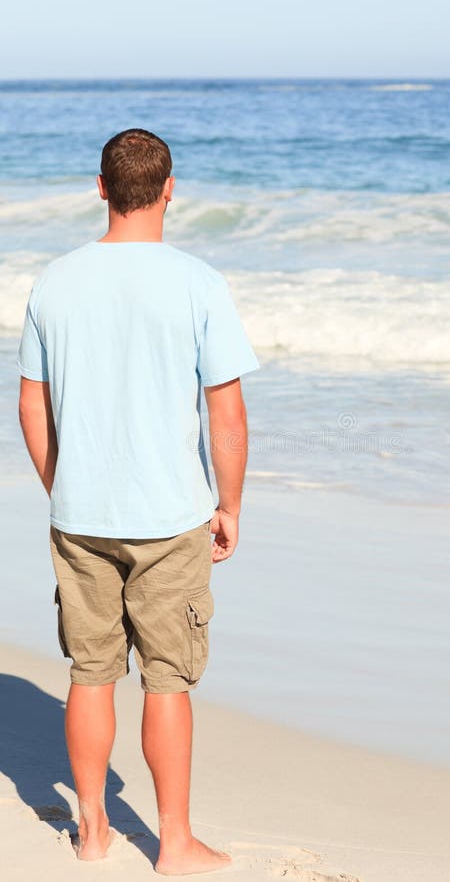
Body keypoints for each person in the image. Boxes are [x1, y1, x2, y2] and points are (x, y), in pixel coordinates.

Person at [16, 128, 259, 874]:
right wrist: (230, 506)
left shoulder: (55, 281)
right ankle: (174, 843)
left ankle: (91, 833)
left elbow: (31, 404)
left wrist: (64, 485)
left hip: (80, 514)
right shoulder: (197, 281)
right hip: (171, 518)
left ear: (100, 187)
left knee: (90, 675)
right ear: (170, 189)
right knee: (167, 680)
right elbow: (226, 416)